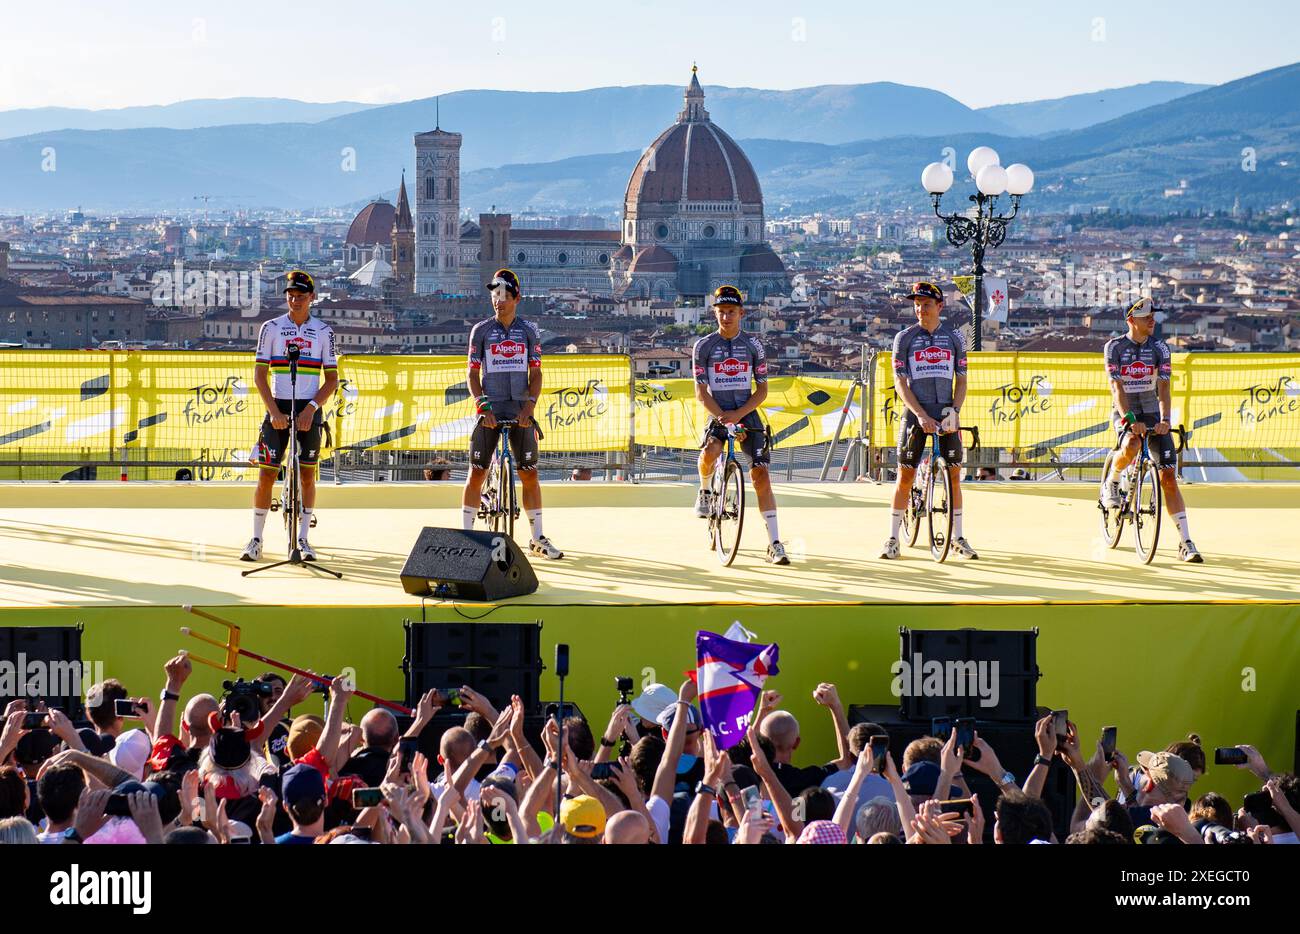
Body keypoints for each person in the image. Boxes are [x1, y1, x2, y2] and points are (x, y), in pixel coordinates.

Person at [461, 268, 562, 560]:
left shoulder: (529, 330)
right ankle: (467, 536)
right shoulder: (481, 331)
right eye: (495, 295)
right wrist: (482, 406)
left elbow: (536, 373)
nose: (498, 301)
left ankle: (538, 537)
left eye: (504, 295)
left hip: (520, 410)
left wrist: (530, 406)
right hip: (491, 408)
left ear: (517, 298)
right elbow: (472, 374)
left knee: (529, 473)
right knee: (477, 472)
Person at [242, 270, 338, 562]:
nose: (295, 301)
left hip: (308, 408)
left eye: (301, 296)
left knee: (307, 475)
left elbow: (332, 380)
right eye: (291, 296)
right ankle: (256, 539)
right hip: (279, 407)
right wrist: (273, 411)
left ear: (312, 297)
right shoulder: (271, 328)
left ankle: (304, 539)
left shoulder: (324, 332)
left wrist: (311, 409)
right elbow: (260, 375)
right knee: (266, 475)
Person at [692, 285, 789, 565]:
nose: (726, 317)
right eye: (721, 312)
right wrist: (724, 416)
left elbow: (762, 391)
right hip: (718, 411)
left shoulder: (753, 346)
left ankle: (774, 543)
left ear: (741, 313)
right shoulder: (703, 346)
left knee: (761, 476)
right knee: (710, 451)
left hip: (746, 413)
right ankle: (705, 489)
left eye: (731, 312)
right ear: (714, 313)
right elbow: (701, 393)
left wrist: (739, 414)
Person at [1100, 298, 1202, 562]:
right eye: (1146, 316)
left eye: (1153, 316)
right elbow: (1116, 388)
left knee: (1168, 476)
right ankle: (1113, 480)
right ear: (1131, 320)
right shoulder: (1114, 347)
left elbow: (1164, 388)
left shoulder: (1160, 348)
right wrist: (1129, 419)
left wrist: (1165, 419)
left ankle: (1185, 542)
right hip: (1126, 410)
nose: (1152, 320)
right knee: (1131, 444)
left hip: (1152, 412)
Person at [881, 281, 977, 560]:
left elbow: (962, 380)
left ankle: (958, 537)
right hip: (916, 412)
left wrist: (955, 411)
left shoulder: (955, 338)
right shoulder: (904, 338)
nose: (920, 310)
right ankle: (892, 538)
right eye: (917, 305)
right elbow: (900, 383)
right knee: (905, 476)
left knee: (955, 475)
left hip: (946, 412)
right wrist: (921, 415)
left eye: (926, 305)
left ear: (940, 306)